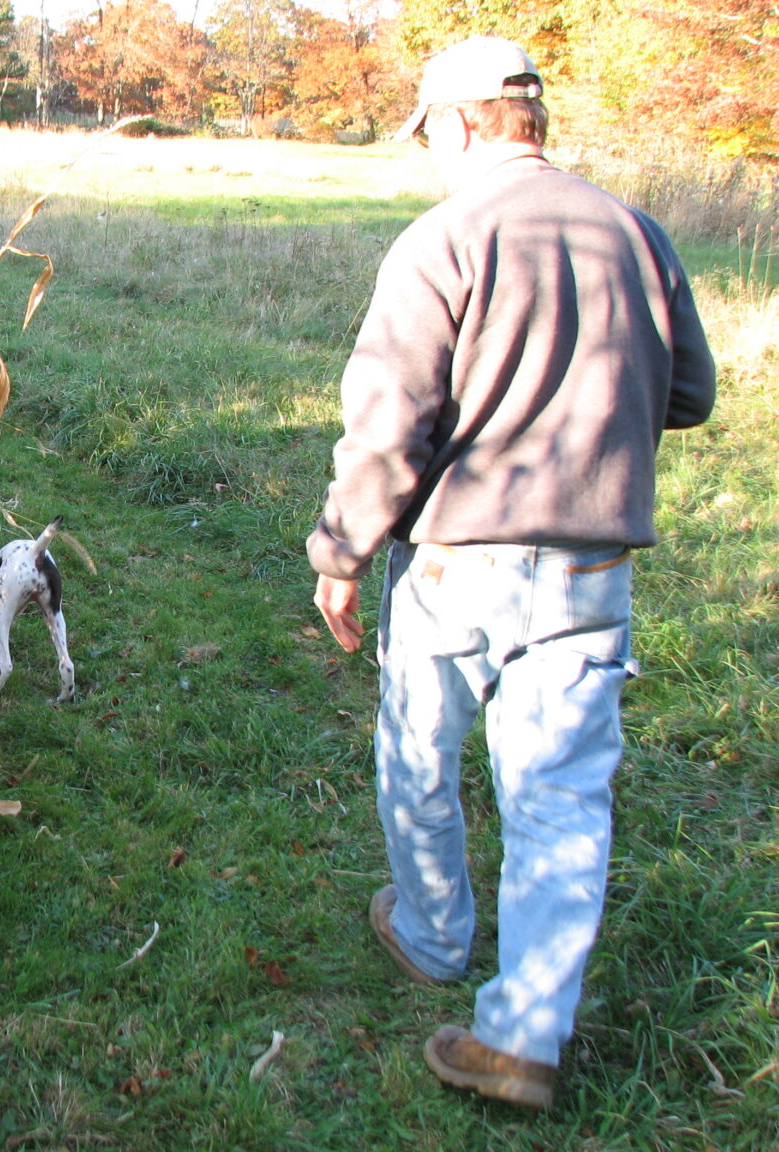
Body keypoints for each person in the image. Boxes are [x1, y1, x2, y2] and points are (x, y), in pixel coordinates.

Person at [306, 36, 717, 1110]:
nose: (431, 151)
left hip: (453, 565)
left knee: (418, 751)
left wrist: (340, 554)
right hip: (592, 568)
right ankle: (525, 1041)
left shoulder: (442, 240)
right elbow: (690, 395)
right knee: (560, 801)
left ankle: (432, 933)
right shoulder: (638, 233)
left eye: (429, 133)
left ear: (462, 122)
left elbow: (388, 429)